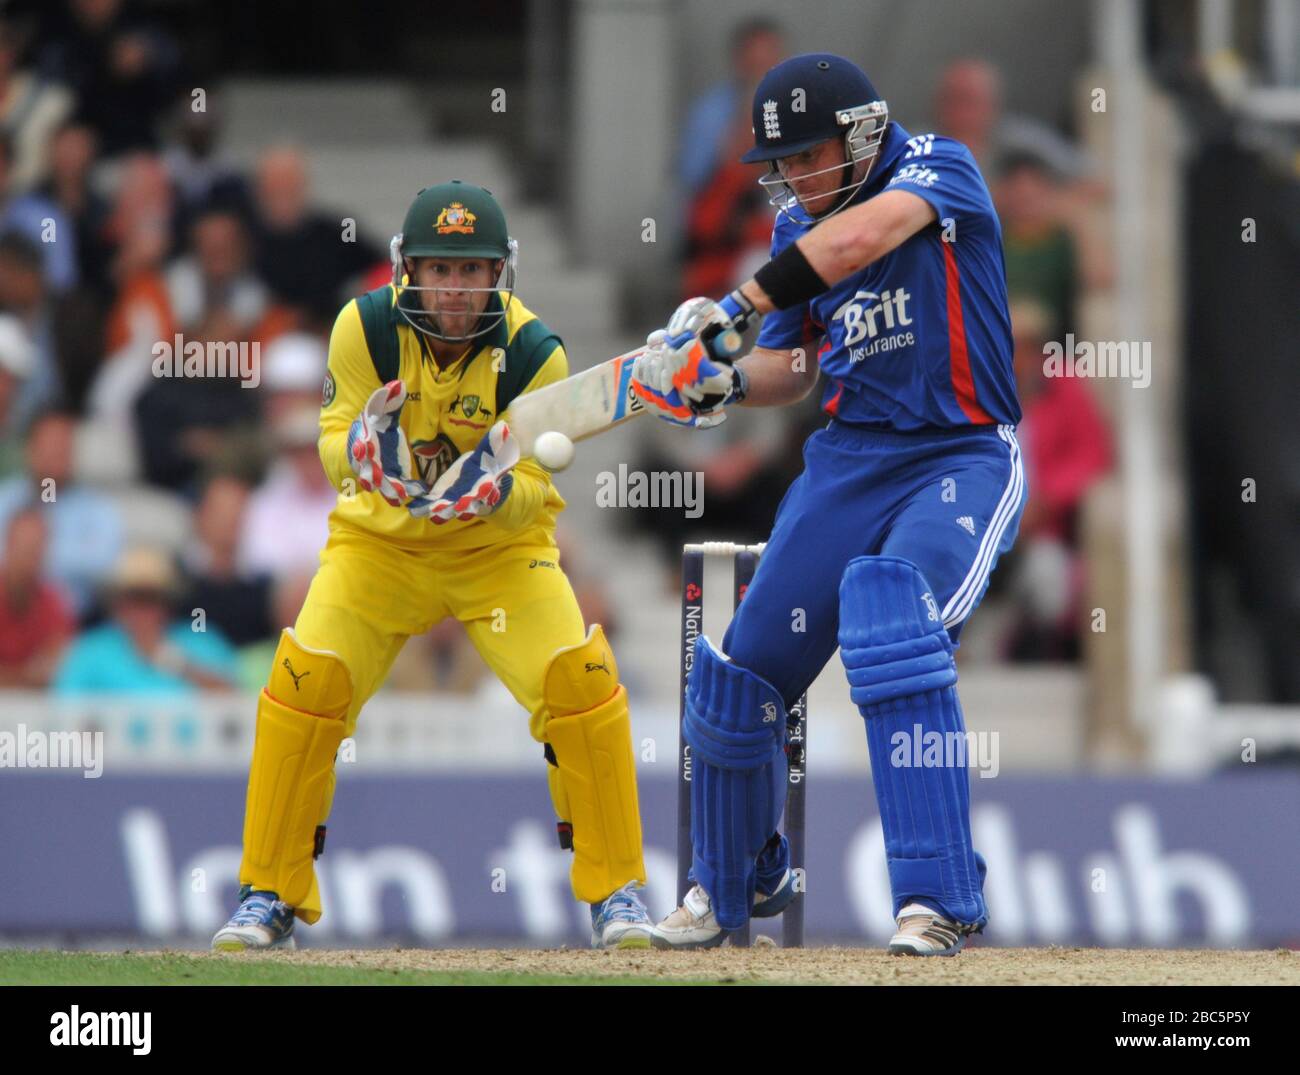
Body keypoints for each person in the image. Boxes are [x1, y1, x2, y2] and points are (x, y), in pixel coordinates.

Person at [633, 54, 1025, 955]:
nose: (797, 181)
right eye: (783, 165)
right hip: (848, 460)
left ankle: (938, 899)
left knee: (893, 612)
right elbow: (795, 366)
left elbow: (857, 242)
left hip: (958, 450)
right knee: (738, 674)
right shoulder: (794, 229)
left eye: (810, 157)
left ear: (862, 134)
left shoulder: (938, 167)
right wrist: (720, 382)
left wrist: (729, 303)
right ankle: (730, 881)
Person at [211, 180, 653, 952]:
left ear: (498, 274)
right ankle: (268, 892)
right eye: (438, 269)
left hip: (497, 554)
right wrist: (359, 455)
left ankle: (615, 889)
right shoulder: (367, 326)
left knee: (579, 683)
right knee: (305, 684)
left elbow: (537, 492)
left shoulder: (534, 352)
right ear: (406, 268)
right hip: (379, 544)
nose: (453, 289)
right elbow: (331, 434)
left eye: (471, 270)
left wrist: (491, 493)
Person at [52, 545, 239, 695]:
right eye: (133, 598)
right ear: (116, 604)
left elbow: (236, 701)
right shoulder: (90, 650)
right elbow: (67, 714)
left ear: (168, 602)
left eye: (151, 598)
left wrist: (178, 663)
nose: (142, 610)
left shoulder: (203, 643)